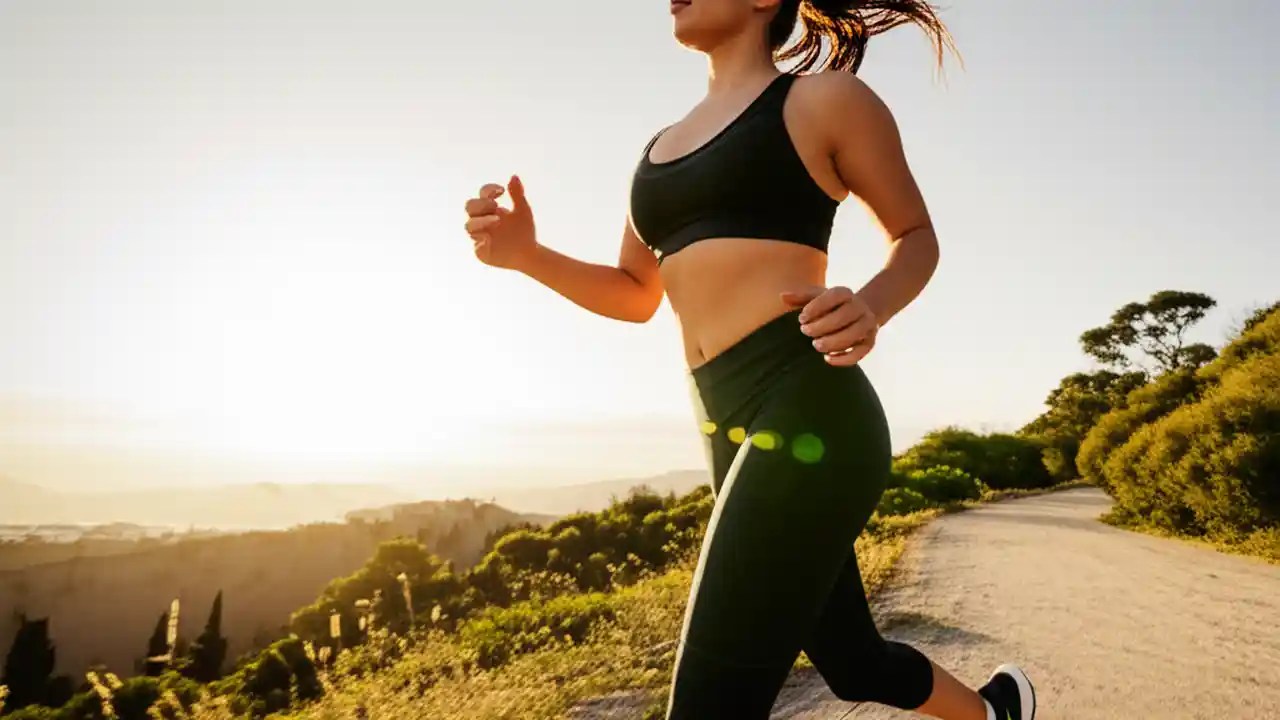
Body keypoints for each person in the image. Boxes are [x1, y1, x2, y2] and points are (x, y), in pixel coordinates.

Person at [461, 1, 1037, 717]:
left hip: (809, 408)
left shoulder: (824, 99)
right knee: (852, 662)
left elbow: (915, 234)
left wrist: (873, 303)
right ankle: (991, 714)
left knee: (707, 705)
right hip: (721, 426)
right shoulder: (657, 150)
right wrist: (527, 256)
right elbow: (637, 293)